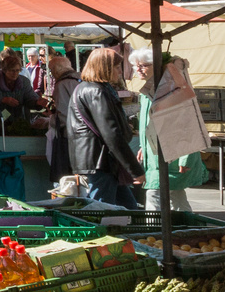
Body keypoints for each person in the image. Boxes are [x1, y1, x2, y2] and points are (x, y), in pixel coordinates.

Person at [128, 47, 206, 212]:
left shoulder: (170, 90)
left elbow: (187, 122)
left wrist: (186, 157)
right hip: (157, 155)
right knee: (176, 196)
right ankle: (188, 228)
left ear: (157, 66)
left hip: (172, 155)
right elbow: (149, 125)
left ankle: (154, 233)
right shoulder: (147, 91)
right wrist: (144, 145)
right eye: (135, 66)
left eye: (143, 65)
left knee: (154, 194)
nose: (138, 69)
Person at [68, 47, 143, 209]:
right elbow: (111, 134)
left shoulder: (91, 89)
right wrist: (135, 169)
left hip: (101, 162)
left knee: (128, 209)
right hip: (100, 162)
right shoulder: (96, 91)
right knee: (102, 212)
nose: (120, 72)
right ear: (105, 68)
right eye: (117, 67)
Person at [0, 49, 48, 118]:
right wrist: (2, 99)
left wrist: (37, 102)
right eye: (12, 70)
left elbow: (29, 98)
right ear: (4, 70)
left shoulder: (24, 81)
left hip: (17, 119)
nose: (15, 73)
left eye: (17, 70)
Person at [45, 52, 79, 180]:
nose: (51, 73)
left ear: (56, 70)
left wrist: (50, 121)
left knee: (67, 178)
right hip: (85, 135)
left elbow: (63, 115)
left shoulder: (62, 84)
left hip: (70, 138)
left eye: (51, 70)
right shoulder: (81, 79)